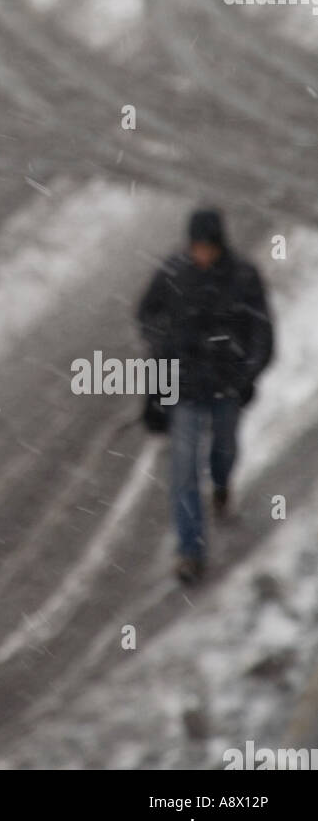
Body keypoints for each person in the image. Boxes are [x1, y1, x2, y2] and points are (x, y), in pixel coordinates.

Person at [136, 207, 273, 585]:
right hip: (185, 389)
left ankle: (223, 486)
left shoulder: (243, 277)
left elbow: (262, 332)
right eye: (196, 246)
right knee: (183, 472)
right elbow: (147, 313)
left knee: (224, 451)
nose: (201, 253)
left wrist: (247, 373)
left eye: (207, 246)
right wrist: (162, 349)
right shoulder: (173, 273)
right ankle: (190, 551)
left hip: (227, 386)